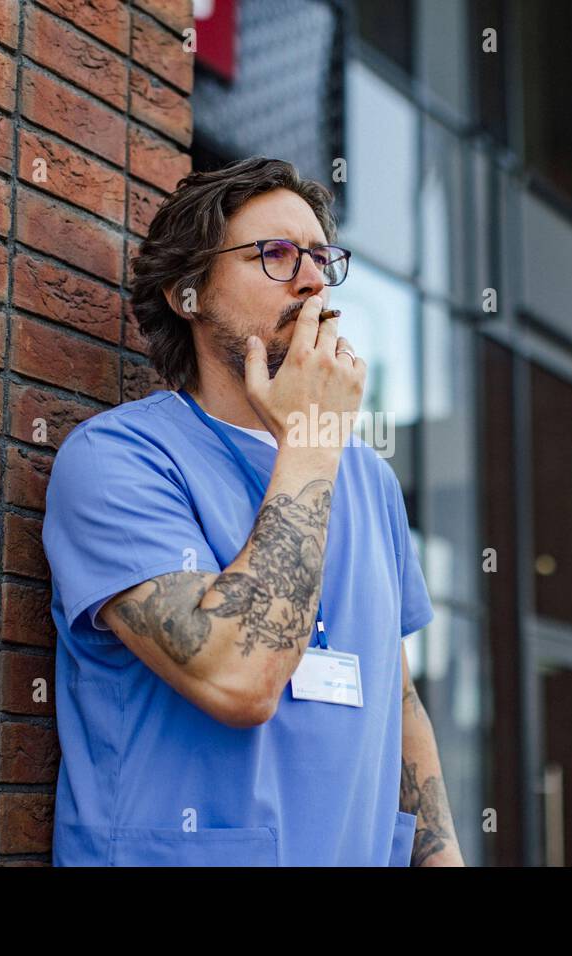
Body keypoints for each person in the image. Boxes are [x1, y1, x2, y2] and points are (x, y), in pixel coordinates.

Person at [41, 156, 464, 866]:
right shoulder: (118, 461)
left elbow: (399, 700)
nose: (312, 279)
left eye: (322, 259)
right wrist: (311, 443)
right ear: (188, 294)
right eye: (275, 254)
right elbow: (240, 676)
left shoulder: (368, 480)